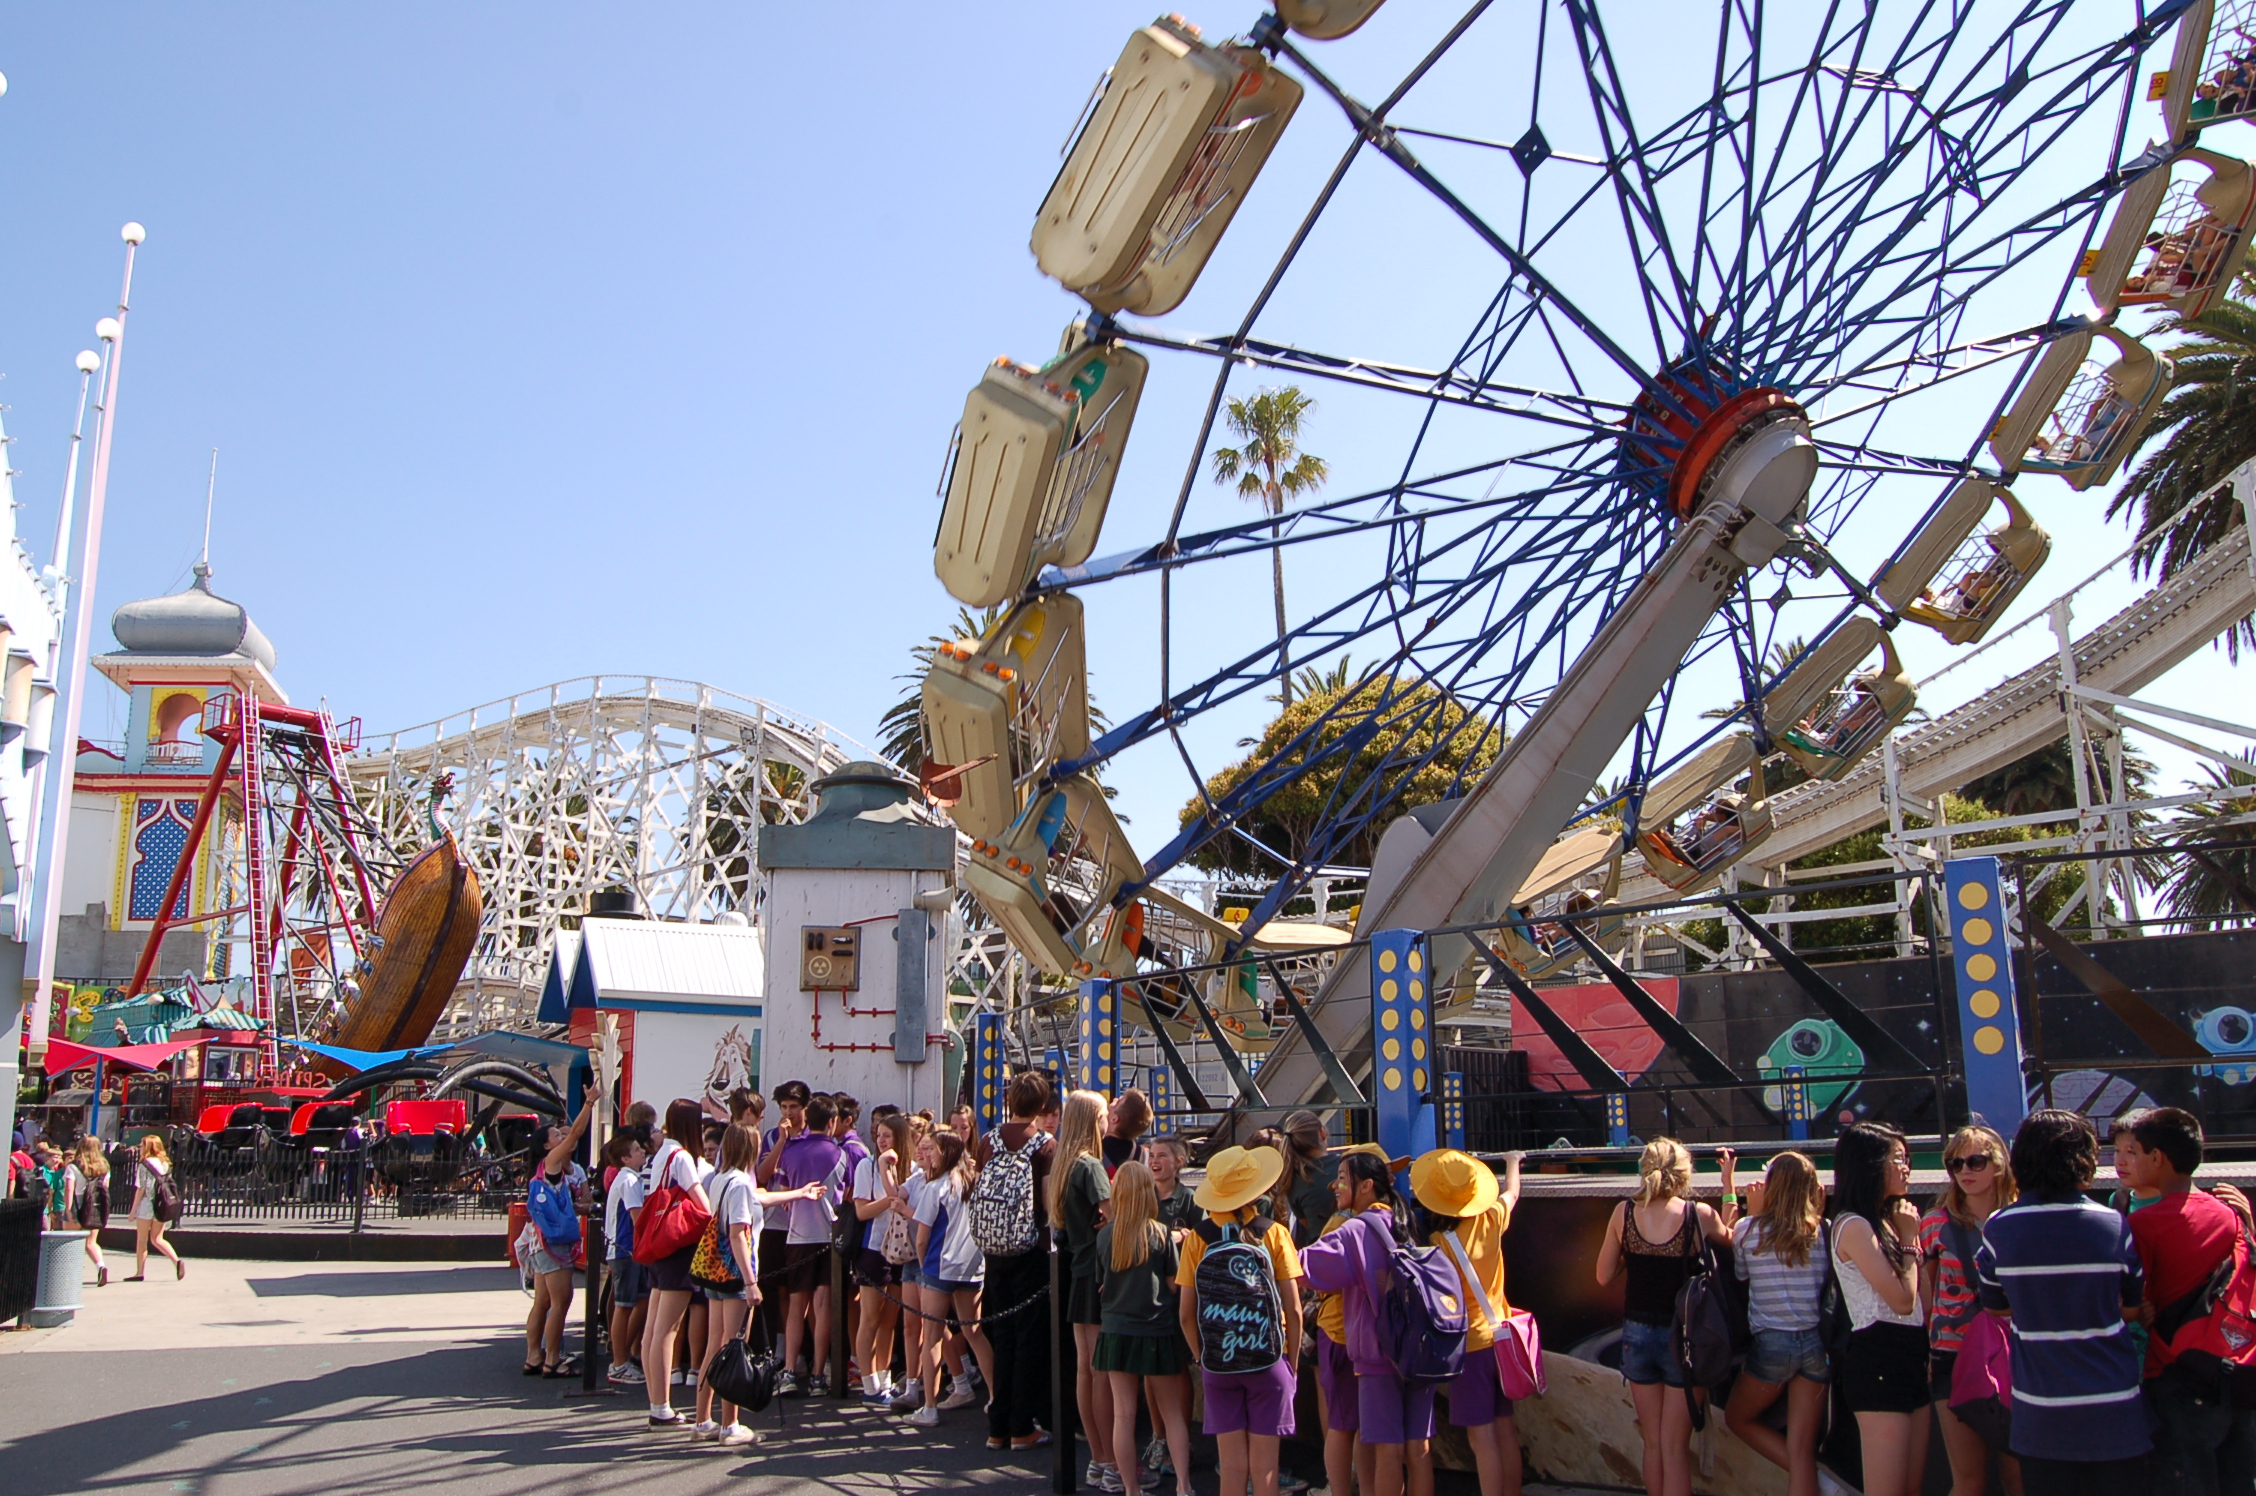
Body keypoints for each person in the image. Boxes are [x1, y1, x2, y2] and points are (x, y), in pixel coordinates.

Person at [1974, 1109, 2149, 1492]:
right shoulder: (2114, 1226)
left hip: (2041, 1417)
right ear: (2084, 1161)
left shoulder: (2000, 1228)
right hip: (2116, 1414)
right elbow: (2133, 1307)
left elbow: (1994, 1305)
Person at [2118, 1106, 2255, 1494]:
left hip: (2174, 1379)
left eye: (2137, 1152)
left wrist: (2143, 1315)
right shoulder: (2230, 1214)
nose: (2129, 1160)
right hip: (2234, 1375)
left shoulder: (2142, 1223)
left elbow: (2132, 1301)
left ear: (2157, 1158)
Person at [1594, 1138, 1735, 1496]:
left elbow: (1603, 1275)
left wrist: (1635, 1251)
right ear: (1684, 1173)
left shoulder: (1624, 1213)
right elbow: (1732, 1239)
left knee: (1654, 1443)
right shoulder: (1698, 1215)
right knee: (1675, 1448)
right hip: (1685, 1338)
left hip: (1637, 1335)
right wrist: (1729, 1187)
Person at [1178, 1145, 1304, 1496]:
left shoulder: (1199, 1238)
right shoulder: (1274, 1233)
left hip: (1219, 1362)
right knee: (1266, 1470)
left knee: (1231, 1468)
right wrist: (1290, 1364)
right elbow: (1293, 1309)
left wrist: (1202, 1357)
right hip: (1269, 1359)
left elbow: (1186, 1313)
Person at [1416, 1148, 1525, 1496]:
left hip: (1469, 1348)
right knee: (1506, 1429)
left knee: (1482, 1439)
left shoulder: (1438, 1244)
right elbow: (1512, 1192)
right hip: (1501, 1340)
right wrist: (1511, 1162)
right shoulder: (1491, 1218)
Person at [1918, 1126, 2020, 1496]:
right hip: (1952, 1355)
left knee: (2018, 1478)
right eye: (1955, 1163)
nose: (1965, 1170)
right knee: (1968, 1480)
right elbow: (1926, 1297)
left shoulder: (2019, 1219)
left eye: (1975, 1160)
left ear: (1998, 1164)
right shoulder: (1934, 1224)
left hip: (2012, 1355)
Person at [1830, 1123, 1929, 1496]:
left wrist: (1911, 1241)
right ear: (1871, 1165)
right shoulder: (1854, 1225)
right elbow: (1902, 1301)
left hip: (1911, 1353)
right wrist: (1908, 1241)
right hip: (1877, 1358)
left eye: (1908, 1160)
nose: (1906, 1168)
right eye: (1898, 1160)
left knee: (1912, 1486)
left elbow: (1922, 1301)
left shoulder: (1889, 1222)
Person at [1724, 1151, 1831, 1496]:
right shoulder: (1822, 1231)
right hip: (1816, 1345)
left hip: (1772, 1344)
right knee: (1802, 1448)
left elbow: (1740, 1274)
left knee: (1737, 1418)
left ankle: (1823, 1482)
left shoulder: (1748, 1230)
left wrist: (1749, 1212)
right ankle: (1816, 1479)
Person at [973, 1070, 1058, 1449]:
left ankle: (997, 1426)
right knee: (1029, 1339)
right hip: (1030, 1250)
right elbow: (1048, 1204)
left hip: (992, 1249)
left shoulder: (988, 1140)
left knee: (1001, 1335)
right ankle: (1023, 1425)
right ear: (1041, 1106)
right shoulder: (1044, 1145)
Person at [1097, 1161, 1193, 1495]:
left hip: (1116, 1330)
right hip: (1155, 1328)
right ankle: (1183, 1485)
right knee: (1172, 1415)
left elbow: (1102, 1284)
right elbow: (1173, 1284)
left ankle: (1130, 1489)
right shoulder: (1161, 1234)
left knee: (1123, 1416)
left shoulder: (1106, 1236)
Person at [1307, 1144, 1392, 1496]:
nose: (1335, 1186)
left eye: (1343, 1179)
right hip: (1382, 1340)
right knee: (1372, 1430)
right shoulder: (1397, 1219)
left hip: (1344, 1336)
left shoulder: (1345, 1226)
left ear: (1367, 1185)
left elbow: (1310, 1270)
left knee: (1343, 1425)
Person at [692, 1123, 771, 1449]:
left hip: (714, 1270)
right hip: (737, 1273)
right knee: (735, 1347)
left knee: (715, 1345)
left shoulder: (719, 1178)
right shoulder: (740, 1183)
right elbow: (739, 1233)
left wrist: (799, 1193)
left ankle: (702, 1419)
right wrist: (751, 1281)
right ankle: (730, 1423)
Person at [909, 1128, 994, 1428]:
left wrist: (924, 1267)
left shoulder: (936, 1188)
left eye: (932, 1149)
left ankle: (929, 1407)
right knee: (974, 1332)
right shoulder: (975, 1182)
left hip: (938, 1267)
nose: (927, 1154)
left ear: (943, 1153)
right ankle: (996, 1397)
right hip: (973, 1267)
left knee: (931, 1337)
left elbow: (922, 1237)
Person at [642, 1098, 718, 1427]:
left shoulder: (662, 1154)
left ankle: (657, 1401)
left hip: (659, 1246)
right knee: (667, 1329)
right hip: (680, 1246)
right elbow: (703, 1204)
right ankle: (661, 1407)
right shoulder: (683, 1157)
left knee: (653, 1329)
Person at [1054, 1089, 1117, 1481]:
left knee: (1084, 1369)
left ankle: (1098, 1457)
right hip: (1098, 1271)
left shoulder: (1063, 1164)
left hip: (1077, 1268)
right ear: (1096, 1120)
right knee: (1102, 1371)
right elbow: (1112, 1218)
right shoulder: (1091, 1165)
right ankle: (1110, 1459)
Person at [774, 1093, 848, 1397]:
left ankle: (790, 1370)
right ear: (831, 1122)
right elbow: (848, 1196)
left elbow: (782, 1192)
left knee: (796, 1307)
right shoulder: (843, 1154)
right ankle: (819, 1374)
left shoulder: (790, 1151)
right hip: (829, 1237)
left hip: (797, 1237)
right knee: (823, 1306)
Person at [520, 1101, 593, 1378]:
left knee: (543, 1301)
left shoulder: (543, 1171)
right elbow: (575, 1133)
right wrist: (588, 1103)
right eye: (556, 1136)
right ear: (548, 1146)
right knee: (561, 1302)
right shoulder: (551, 1165)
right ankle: (552, 1357)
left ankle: (534, 1355)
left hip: (539, 1241)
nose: (562, 1138)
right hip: (553, 1244)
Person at [851, 1111, 909, 1408]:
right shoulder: (867, 1166)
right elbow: (861, 1211)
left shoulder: (910, 1167)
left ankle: (885, 1380)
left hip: (903, 1249)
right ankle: (869, 1384)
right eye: (879, 1134)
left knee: (890, 1319)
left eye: (888, 1135)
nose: (882, 1139)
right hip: (874, 1249)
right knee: (870, 1318)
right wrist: (891, 1199)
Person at [756, 1080, 811, 1341]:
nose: (788, 1113)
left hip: (804, 1225)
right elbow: (762, 1176)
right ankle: (779, 1346)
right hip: (774, 1223)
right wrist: (780, 1141)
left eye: (794, 1107)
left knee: (800, 1290)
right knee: (776, 1288)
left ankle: (802, 1350)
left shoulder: (813, 1136)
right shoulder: (770, 1136)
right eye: (784, 1107)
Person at [603, 1129, 651, 1385]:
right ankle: (618, 1363)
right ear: (625, 1158)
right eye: (636, 1150)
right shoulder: (630, 1181)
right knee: (624, 1305)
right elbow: (637, 1218)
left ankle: (625, 1353)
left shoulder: (626, 1178)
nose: (642, 1151)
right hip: (626, 1250)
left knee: (640, 1300)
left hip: (626, 1250)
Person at [128, 1133, 183, 1282]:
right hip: (162, 1203)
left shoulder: (144, 1164)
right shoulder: (164, 1163)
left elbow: (141, 1189)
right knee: (158, 1238)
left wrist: (133, 1211)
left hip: (147, 1203)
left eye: (142, 1145)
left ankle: (139, 1272)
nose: (139, 1147)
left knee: (142, 1240)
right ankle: (176, 1261)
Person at [1278, 1112, 1337, 1250]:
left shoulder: (1292, 1181)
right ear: (1322, 1133)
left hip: (1317, 1255)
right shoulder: (1347, 1165)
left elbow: (1307, 1225)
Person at [74, 1138, 112, 1287]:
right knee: (91, 1242)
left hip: (77, 1204)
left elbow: (69, 1188)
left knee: (72, 1241)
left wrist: (69, 1210)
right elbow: (105, 1188)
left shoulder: (75, 1165)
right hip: (94, 1206)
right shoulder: (104, 1167)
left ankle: (72, 1274)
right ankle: (101, 1266)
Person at [1148, 1137, 1197, 1231]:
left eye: (1161, 1155)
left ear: (1179, 1162)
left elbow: (1201, 1237)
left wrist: (1183, 1236)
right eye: (1151, 1155)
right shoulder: (1142, 1195)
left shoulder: (1188, 1197)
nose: (1154, 1161)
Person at [1103, 1089, 1152, 1174]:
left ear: (1114, 1119)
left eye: (1117, 1102)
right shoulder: (1144, 1155)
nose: (1114, 1100)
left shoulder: (1095, 1149)